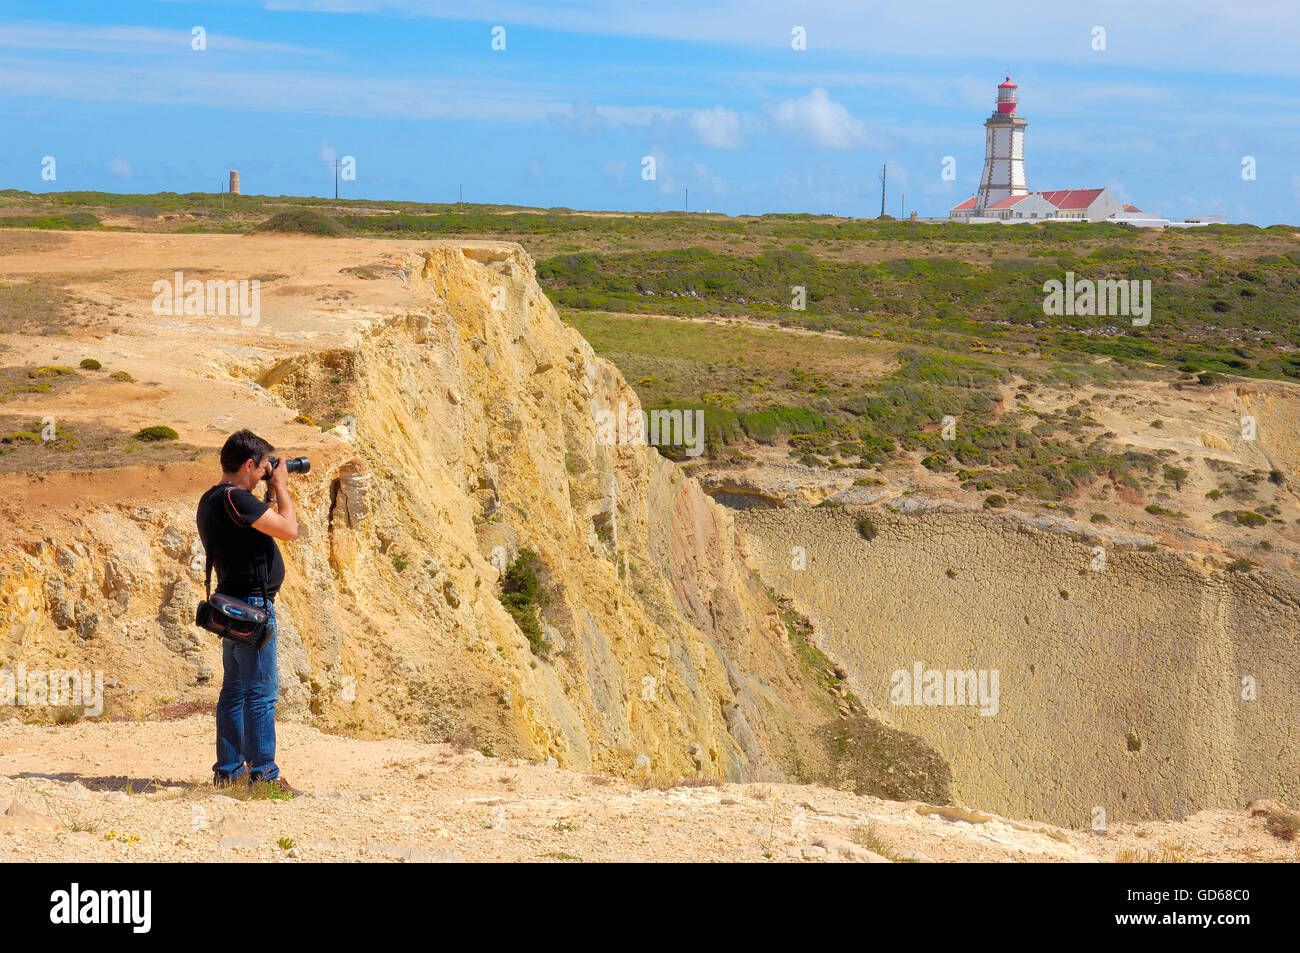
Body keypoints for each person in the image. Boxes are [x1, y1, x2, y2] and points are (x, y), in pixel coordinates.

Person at [196, 429, 299, 793]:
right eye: (262, 468)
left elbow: (249, 531)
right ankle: (263, 777)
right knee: (260, 694)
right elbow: (288, 529)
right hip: (253, 607)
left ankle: (228, 772)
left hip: (231, 606)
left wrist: (268, 490)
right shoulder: (237, 499)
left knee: (236, 690)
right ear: (248, 464)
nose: (265, 473)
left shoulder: (212, 499)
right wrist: (282, 487)